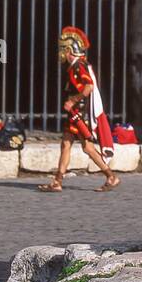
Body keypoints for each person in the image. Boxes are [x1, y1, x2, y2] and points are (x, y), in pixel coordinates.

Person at [38, 26, 120, 193]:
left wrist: (73, 100)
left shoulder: (78, 66)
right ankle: (57, 181)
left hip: (80, 115)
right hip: (75, 114)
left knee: (87, 148)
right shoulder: (77, 65)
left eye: (63, 49)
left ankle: (111, 176)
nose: (61, 53)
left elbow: (88, 86)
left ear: (69, 50)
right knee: (65, 144)